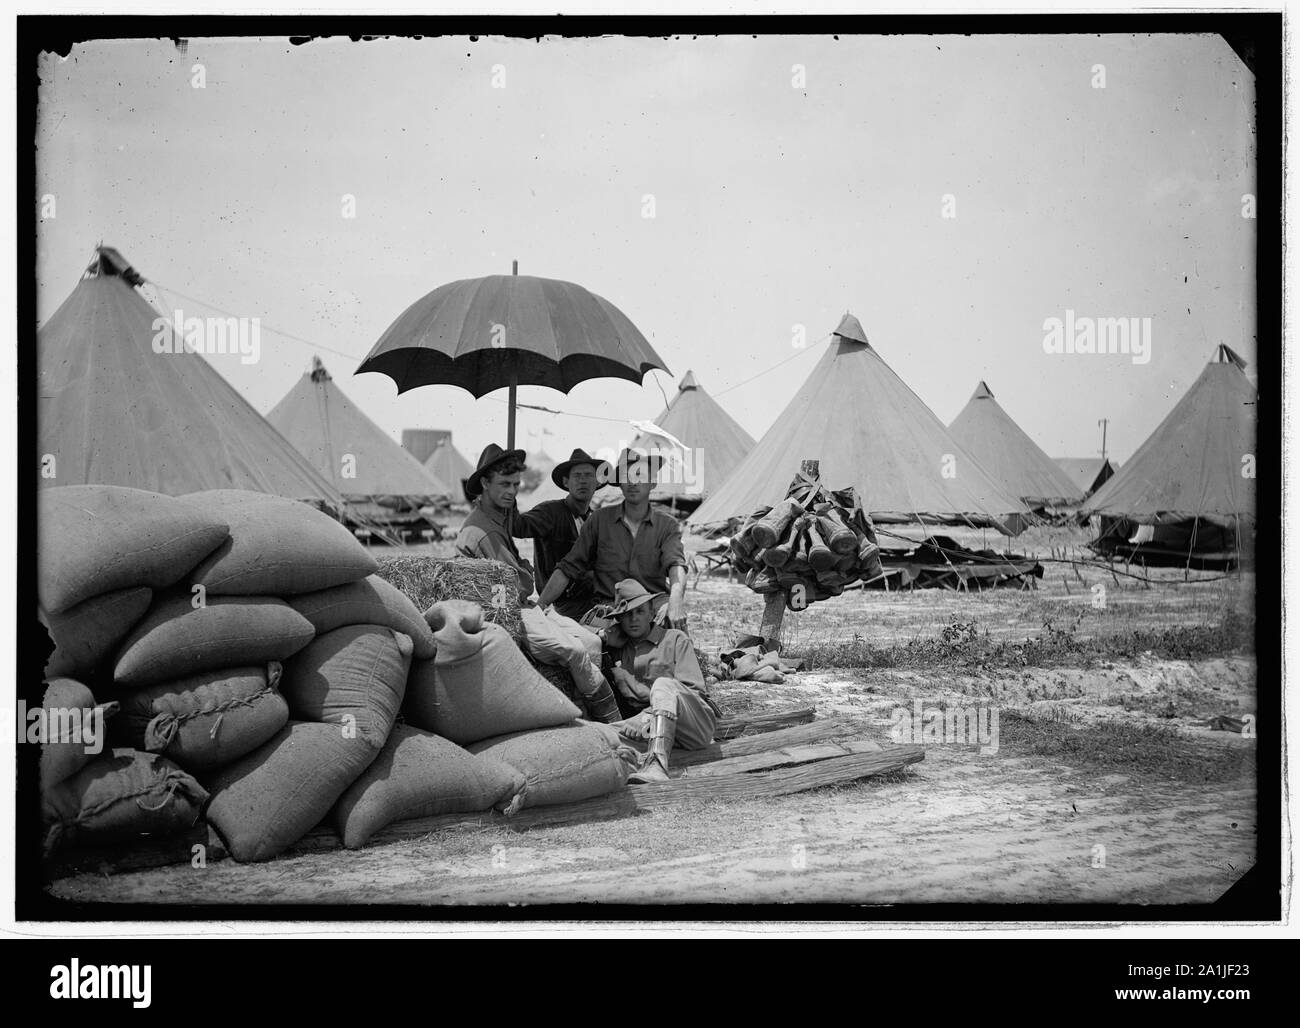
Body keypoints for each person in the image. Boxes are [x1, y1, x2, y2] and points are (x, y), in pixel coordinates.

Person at [456, 443, 620, 723]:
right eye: (504, 484)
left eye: (516, 485)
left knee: (593, 642)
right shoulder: (488, 529)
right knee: (576, 650)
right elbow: (518, 581)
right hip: (513, 609)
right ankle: (605, 724)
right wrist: (526, 572)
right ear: (484, 483)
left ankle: (596, 716)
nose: (511, 491)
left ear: (597, 483)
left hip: (547, 602)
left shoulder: (593, 518)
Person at [537, 448, 689, 630]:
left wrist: (676, 600)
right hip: (610, 606)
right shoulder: (599, 520)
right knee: (593, 644)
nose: (633, 482)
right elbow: (568, 567)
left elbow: (676, 565)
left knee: (672, 622)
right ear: (620, 484)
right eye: (627, 476)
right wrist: (539, 606)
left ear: (653, 482)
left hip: (653, 601)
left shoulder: (667, 525)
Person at [602, 579, 719, 784]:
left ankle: (657, 765)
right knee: (601, 733)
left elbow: (694, 692)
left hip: (694, 725)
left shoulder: (675, 639)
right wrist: (603, 637)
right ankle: (631, 760)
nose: (633, 619)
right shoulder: (619, 651)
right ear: (619, 620)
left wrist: (648, 718)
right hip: (649, 730)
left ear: (651, 613)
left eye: (639, 612)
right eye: (627, 615)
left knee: (663, 684)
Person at [512, 448, 604, 620]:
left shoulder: (595, 520)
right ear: (566, 482)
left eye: (588, 475)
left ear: (597, 482)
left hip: (592, 600)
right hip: (559, 604)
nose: (583, 481)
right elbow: (519, 527)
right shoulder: (550, 512)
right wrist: (510, 491)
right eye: (577, 476)